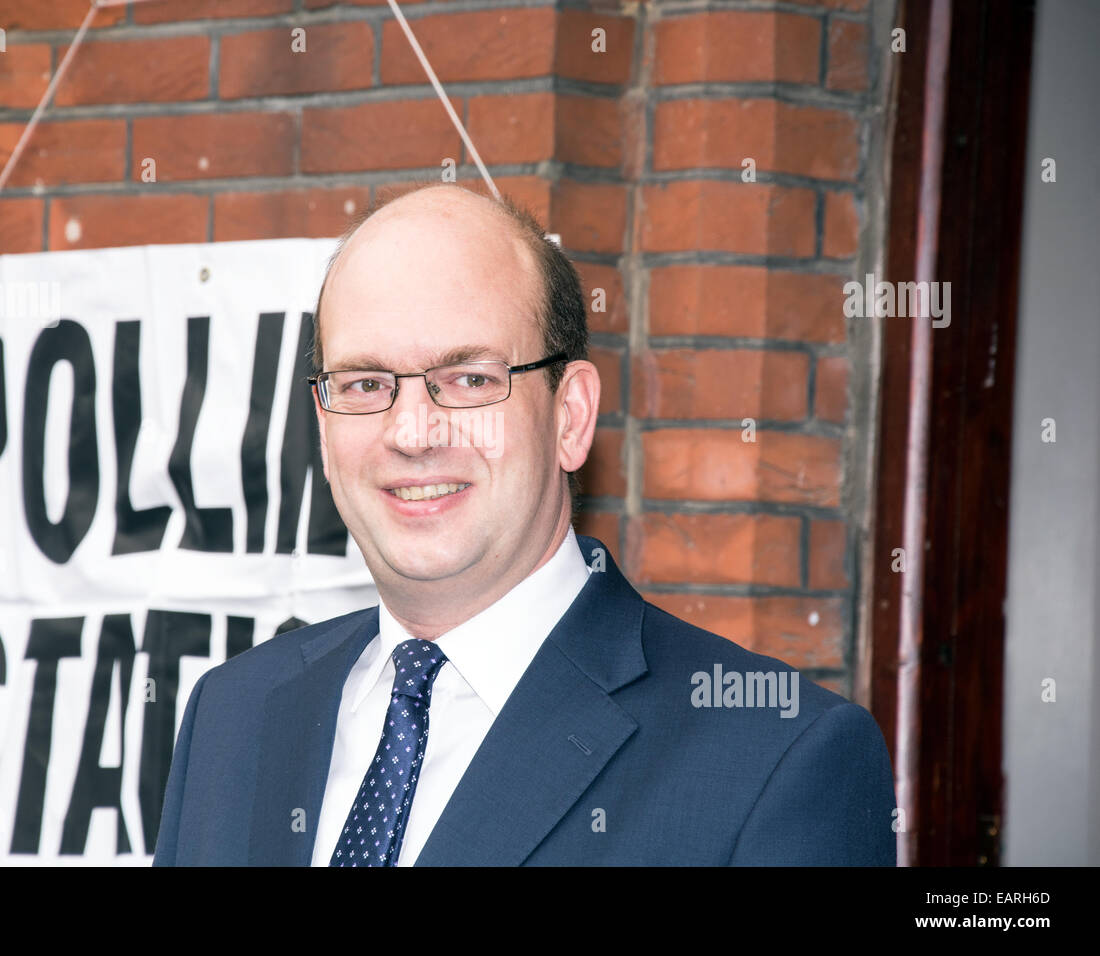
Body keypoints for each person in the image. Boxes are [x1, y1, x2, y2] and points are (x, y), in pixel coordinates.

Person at [153, 183, 897, 866]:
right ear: (323, 421)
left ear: (569, 417)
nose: (413, 431)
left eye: (470, 379)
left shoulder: (775, 760)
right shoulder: (233, 716)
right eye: (366, 383)